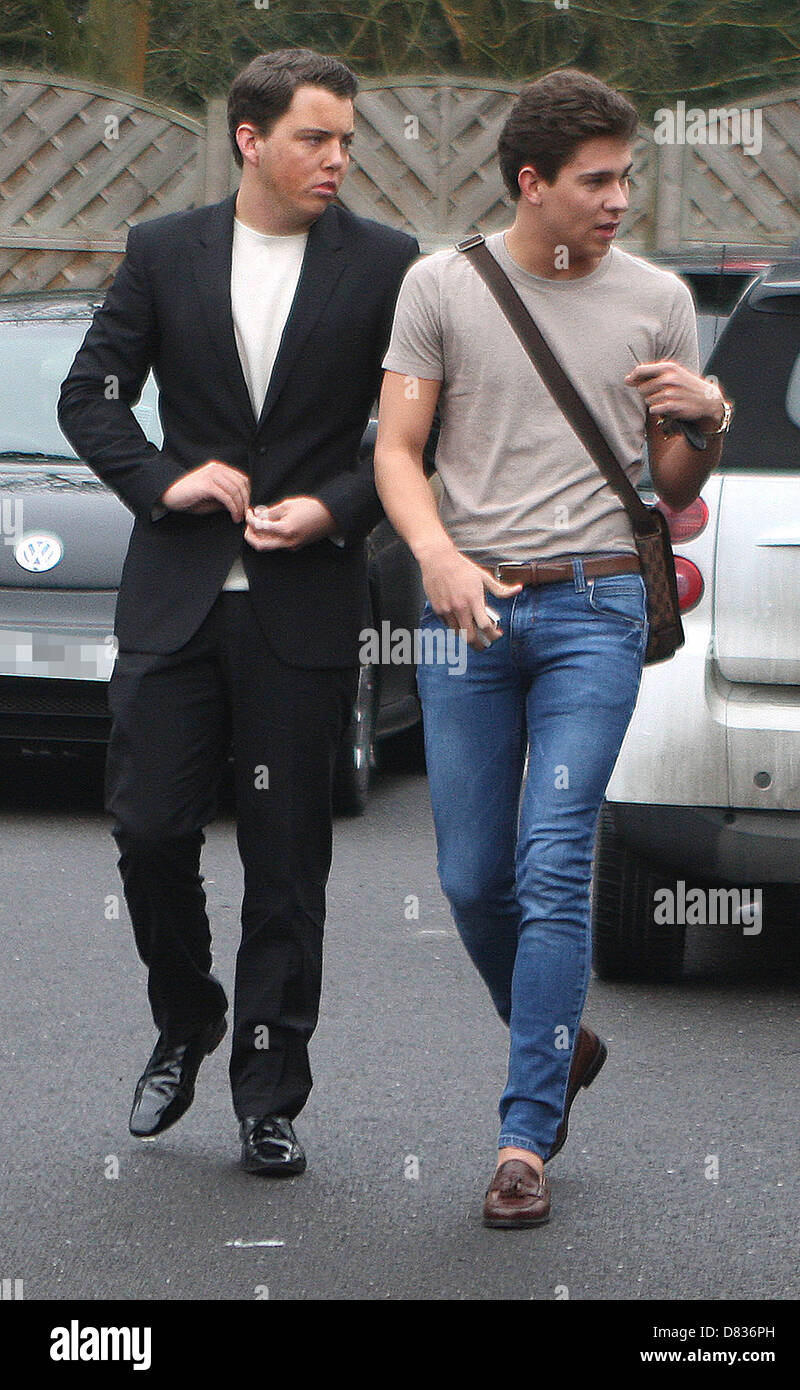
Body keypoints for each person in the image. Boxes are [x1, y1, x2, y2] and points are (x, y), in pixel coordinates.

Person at [374, 68, 731, 1226]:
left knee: (554, 857)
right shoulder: (441, 286)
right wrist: (434, 553)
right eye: (597, 180)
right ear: (531, 183)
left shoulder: (658, 300)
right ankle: (559, 1040)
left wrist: (705, 427)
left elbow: (670, 484)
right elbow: (398, 448)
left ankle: (524, 1135)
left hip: (597, 606)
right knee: (472, 876)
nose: (620, 197)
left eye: (628, 176)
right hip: (466, 606)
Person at [58, 48, 418, 1175]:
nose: (339, 160)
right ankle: (188, 1013)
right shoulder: (166, 250)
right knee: (151, 831)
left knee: (287, 862)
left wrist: (335, 508)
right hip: (176, 599)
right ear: (250, 138)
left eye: (349, 140)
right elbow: (90, 395)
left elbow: (413, 438)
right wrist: (163, 478)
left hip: (303, 608)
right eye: (317, 137)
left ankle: (270, 1092)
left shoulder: (388, 264)